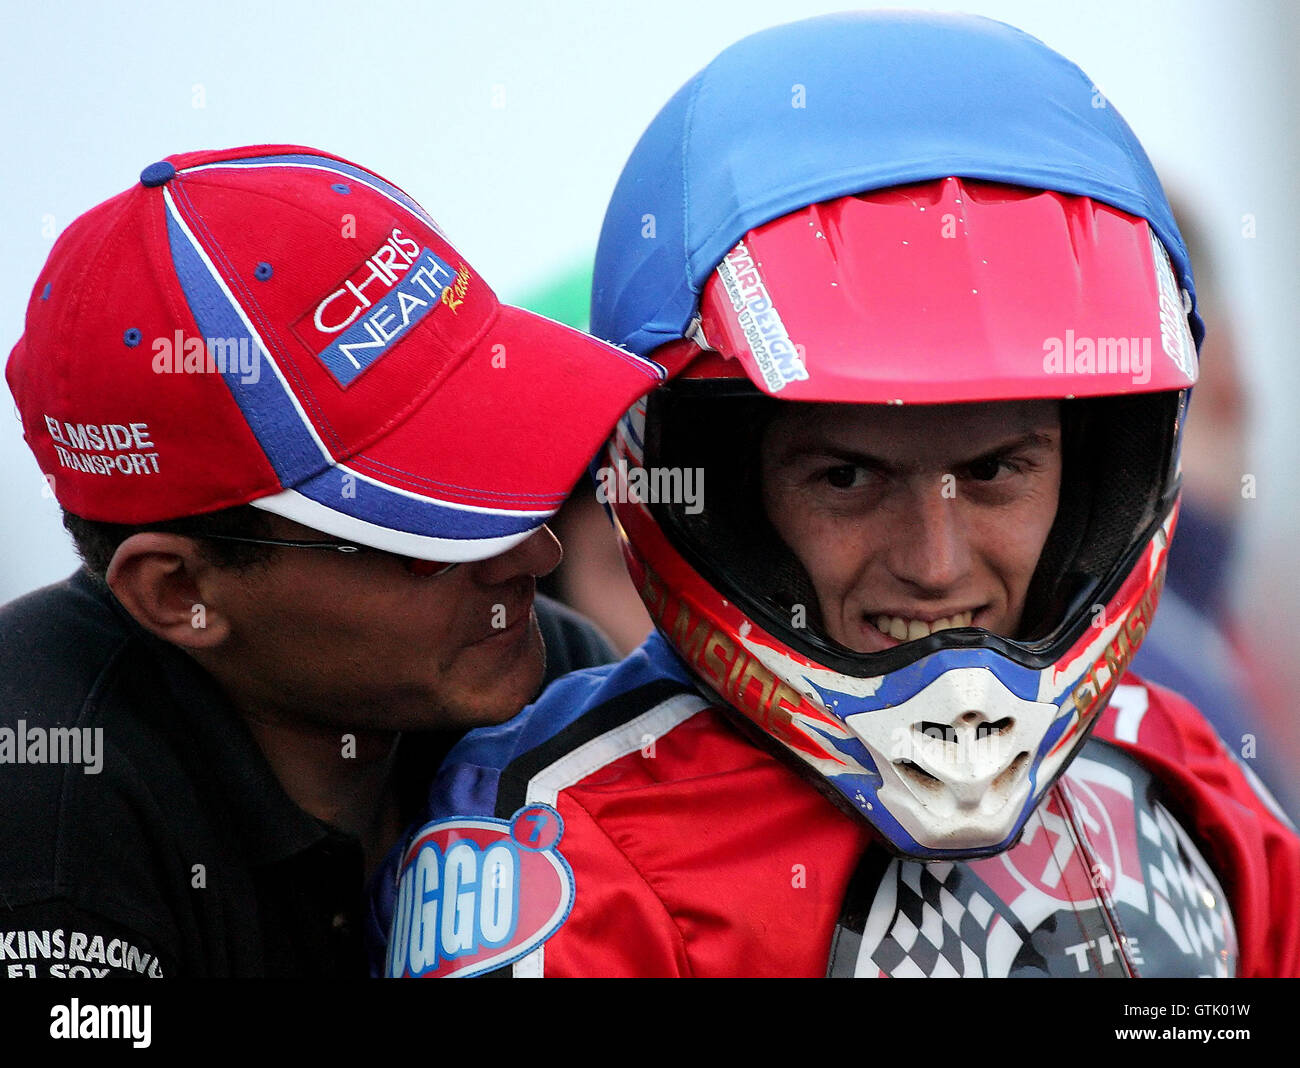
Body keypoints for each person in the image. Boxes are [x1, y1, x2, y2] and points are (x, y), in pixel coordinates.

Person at [373, 14, 1300, 978]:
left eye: (993, 473)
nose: (937, 563)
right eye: (848, 478)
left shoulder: (1181, 774)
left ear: (1101, 479)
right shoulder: (562, 853)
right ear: (715, 491)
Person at [0, 144, 665, 977]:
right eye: (430, 532)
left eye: (509, 476)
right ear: (180, 592)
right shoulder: (44, 811)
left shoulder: (550, 668)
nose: (536, 552)